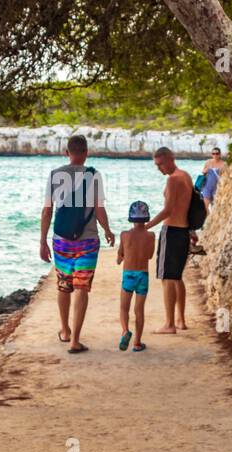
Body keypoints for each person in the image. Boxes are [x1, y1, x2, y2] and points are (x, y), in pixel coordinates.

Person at [40, 134, 114, 353]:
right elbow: (99, 208)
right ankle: (76, 341)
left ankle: (65, 331)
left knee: (64, 285)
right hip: (88, 241)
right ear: (86, 153)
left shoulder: (55, 175)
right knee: (81, 286)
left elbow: (47, 211)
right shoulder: (94, 175)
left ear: (67, 153)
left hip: (61, 241)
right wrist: (108, 230)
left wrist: (42, 241)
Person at [143, 146, 192, 333]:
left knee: (167, 278)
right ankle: (180, 319)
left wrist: (146, 226)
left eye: (160, 164)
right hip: (184, 231)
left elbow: (168, 210)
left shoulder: (173, 179)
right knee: (177, 277)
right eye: (157, 165)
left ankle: (169, 324)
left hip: (171, 232)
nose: (159, 168)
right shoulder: (185, 175)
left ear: (170, 158)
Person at [116, 201, 154, 352]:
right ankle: (137, 343)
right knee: (139, 310)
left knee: (124, 308)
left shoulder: (125, 235)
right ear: (146, 218)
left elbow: (121, 254)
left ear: (130, 218)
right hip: (143, 275)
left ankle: (125, 331)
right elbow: (150, 256)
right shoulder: (151, 236)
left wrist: (119, 258)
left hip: (128, 275)